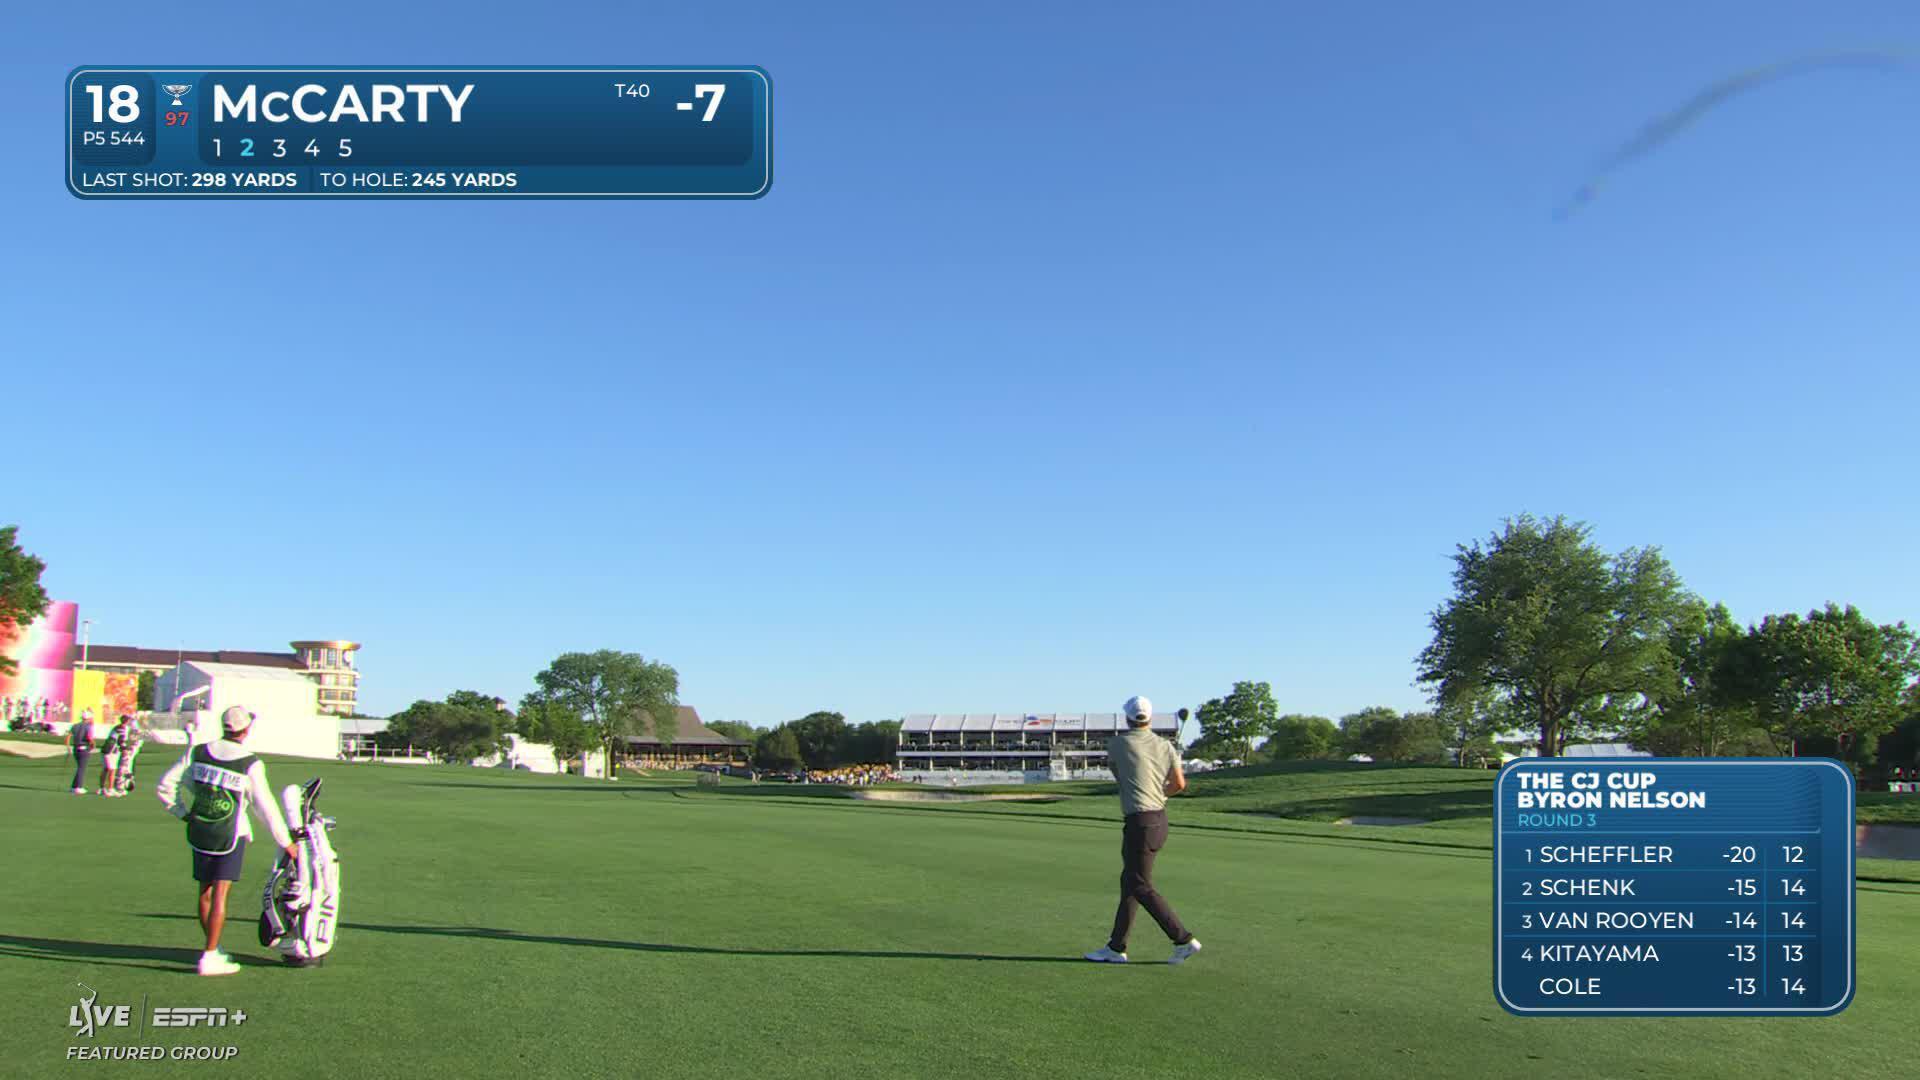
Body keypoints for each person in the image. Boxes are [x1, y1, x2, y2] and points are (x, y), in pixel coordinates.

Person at [155, 706, 299, 976]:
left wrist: (184, 813)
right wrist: (286, 841)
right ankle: (210, 956)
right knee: (220, 893)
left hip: (200, 830)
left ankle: (213, 947)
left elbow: (167, 785)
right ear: (246, 730)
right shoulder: (250, 763)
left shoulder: (197, 751)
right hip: (231, 834)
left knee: (205, 892)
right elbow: (264, 806)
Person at [1084, 696, 1202, 965]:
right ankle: (1116, 947)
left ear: (1127, 717)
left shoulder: (1116, 744)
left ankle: (1183, 939)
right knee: (1131, 884)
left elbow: (1119, 776)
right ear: (1150, 717)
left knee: (1139, 885)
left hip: (1140, 823)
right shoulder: (1166, 745)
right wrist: (1161, 794)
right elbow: (1179, 784)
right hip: (1160, 820)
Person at [100, 716, 133, 796]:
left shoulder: (116, 727)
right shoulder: (122, 728)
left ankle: (102, 788)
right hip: (111, 750)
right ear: (127, 721)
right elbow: (121, 741)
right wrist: (125, 749)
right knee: (112, 770)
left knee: (105, 769)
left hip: (106, 749)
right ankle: (110, 789)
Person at [68, 709, 97, 794]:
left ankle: (74, 786)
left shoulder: (75, 725)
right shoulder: (88, 727)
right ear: (88, 718)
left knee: (79, 768)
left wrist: (68, 747)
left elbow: (68, 737)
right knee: (82, 768)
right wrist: (93, 745)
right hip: (84, 749)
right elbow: (89, 738)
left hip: (75, 749)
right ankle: (79, 787)